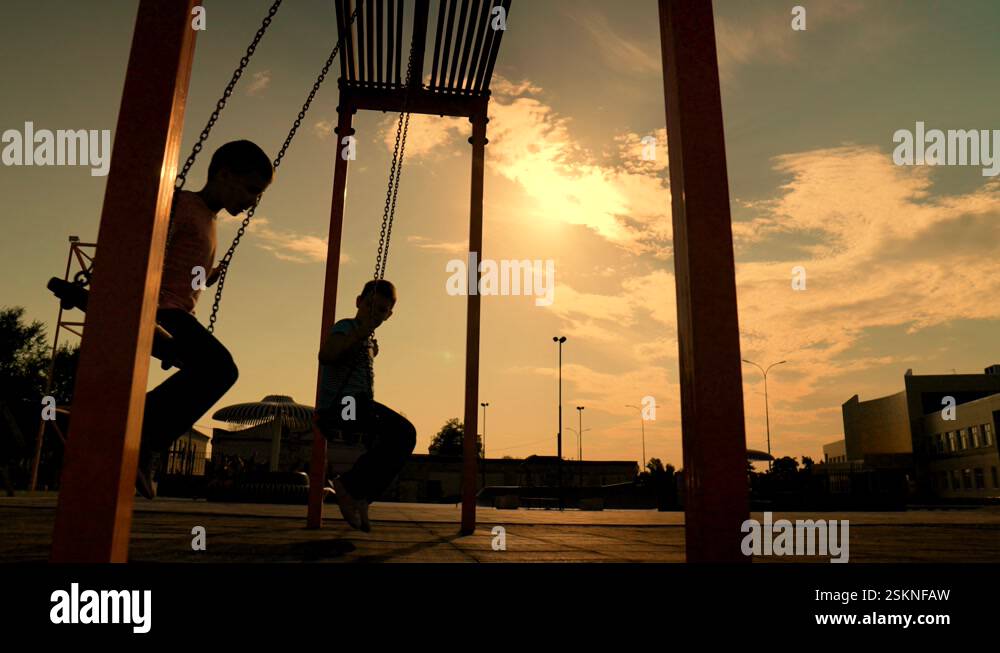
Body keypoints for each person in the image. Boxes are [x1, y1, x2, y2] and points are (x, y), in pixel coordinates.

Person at [136, 140, 273, 499]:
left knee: (212, 371)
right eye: (250, 189)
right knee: (221, 370)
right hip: (159, 309)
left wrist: (206, 276)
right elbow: (149, 250)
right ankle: (142, 434)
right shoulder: (181, 205)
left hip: (177, 309)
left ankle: (140, 431)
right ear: (224, 174)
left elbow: (185, 273)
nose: (252, 200)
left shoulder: (209, 220)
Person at [316, 280, 416, 531]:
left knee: (397, 443)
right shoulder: (345, 327)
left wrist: (369, 347)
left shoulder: (368, 341)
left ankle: (361, 497)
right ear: (358, 302)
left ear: (389, 315)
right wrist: (358, 335)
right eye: (370, 305)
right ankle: (348, 486)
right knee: (403, 432)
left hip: (356, 405)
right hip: (342, 406)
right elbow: (327, 355)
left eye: (381, 310)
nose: (375, 313)